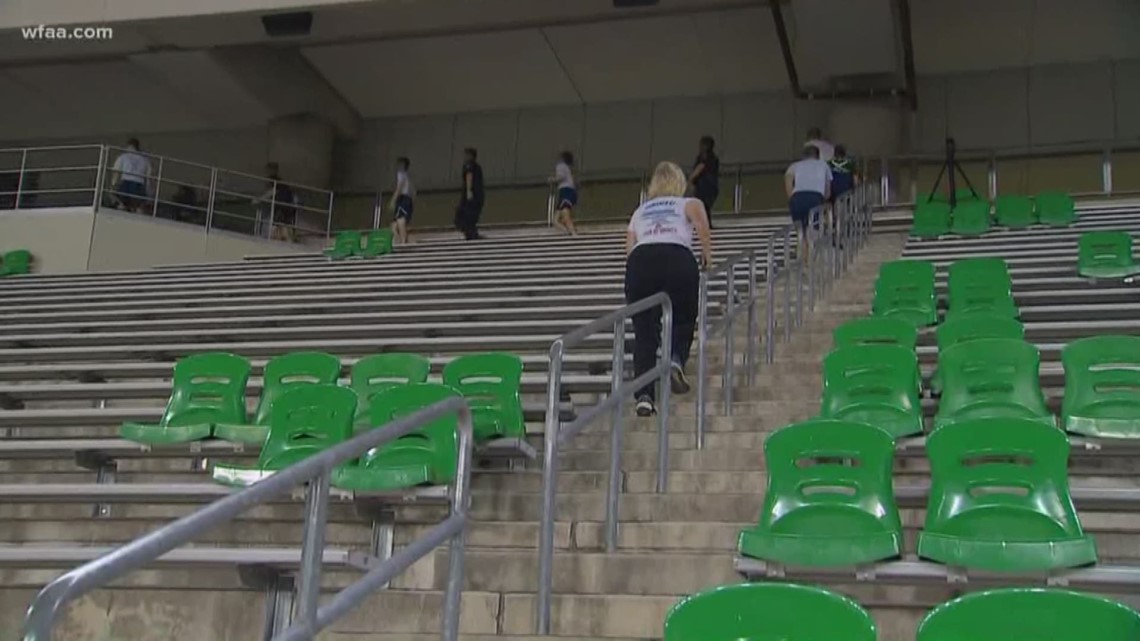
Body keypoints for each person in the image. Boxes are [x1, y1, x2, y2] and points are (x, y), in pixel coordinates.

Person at [625, 161, 713, 417]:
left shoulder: (640, 210)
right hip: (677, 256)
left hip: (641, 260)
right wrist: (707, 255)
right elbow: (701, 225)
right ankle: (675, 358)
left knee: (644, 330)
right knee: (684, 316)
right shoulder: (688, 203)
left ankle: (644, 394)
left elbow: (629, 247)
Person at [785, 145, 832, 257]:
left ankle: (802, 256)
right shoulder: (824, 165)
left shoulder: (795, 166)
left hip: (797, 197)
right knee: (813, 229)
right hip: (815, 196)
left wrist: (792, 198)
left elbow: (788, 181)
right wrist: (825, 200)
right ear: (818, 156)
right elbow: (827, 190)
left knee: (800, 231)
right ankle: (812, 257)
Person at [111, 138, 152, 214]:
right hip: (139, 184)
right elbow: (148, 178)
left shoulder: (123, 157)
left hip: (126, 183)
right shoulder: (145, 159)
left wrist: (113, 184)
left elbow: (116, 172)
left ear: (129, 146)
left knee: (122, 204)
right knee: (139, 207)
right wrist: (148, 191)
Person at [258, 162, 298, 242]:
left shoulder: (274, 180)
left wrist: (259, 199)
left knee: (279, 224)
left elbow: (272, 191)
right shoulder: (280, 182)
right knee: (282, 225)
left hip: (282, 206)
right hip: (287, 206)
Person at [688, 135, 720, 228]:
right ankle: (706, 224)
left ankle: (704, 225)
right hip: (711, 185)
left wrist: (690, 179)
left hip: (705, 185)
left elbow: (700, 167)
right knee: (705, 206)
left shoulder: (705, 156)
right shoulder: (714, 158)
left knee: (702, 205)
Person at [454, 147, 485, 240]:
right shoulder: (476, 166)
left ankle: (470, 232)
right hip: (477, 194)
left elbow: (469, 178)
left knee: (468, 214)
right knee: (470, 215)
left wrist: (469, 192)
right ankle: (471, 232)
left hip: (472, 194)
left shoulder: (469, 166)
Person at [549, 151, 578, 235]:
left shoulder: (561, 166)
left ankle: (573, 233)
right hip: (567, 191)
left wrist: (552, 179)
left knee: (565, 214)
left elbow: (561, 177)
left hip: (566, 190)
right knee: (555, 220)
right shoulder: (567, 168)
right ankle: (568, 232)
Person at [389, 156, 416, 244]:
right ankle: (403, 238)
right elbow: (413, 192)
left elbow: (399, 187)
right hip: (407, 199)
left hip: (403, 199)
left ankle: (403, 241)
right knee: (394, 225)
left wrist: (393, 200)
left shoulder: (401, 174)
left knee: (400, 220)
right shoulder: (408, 177)